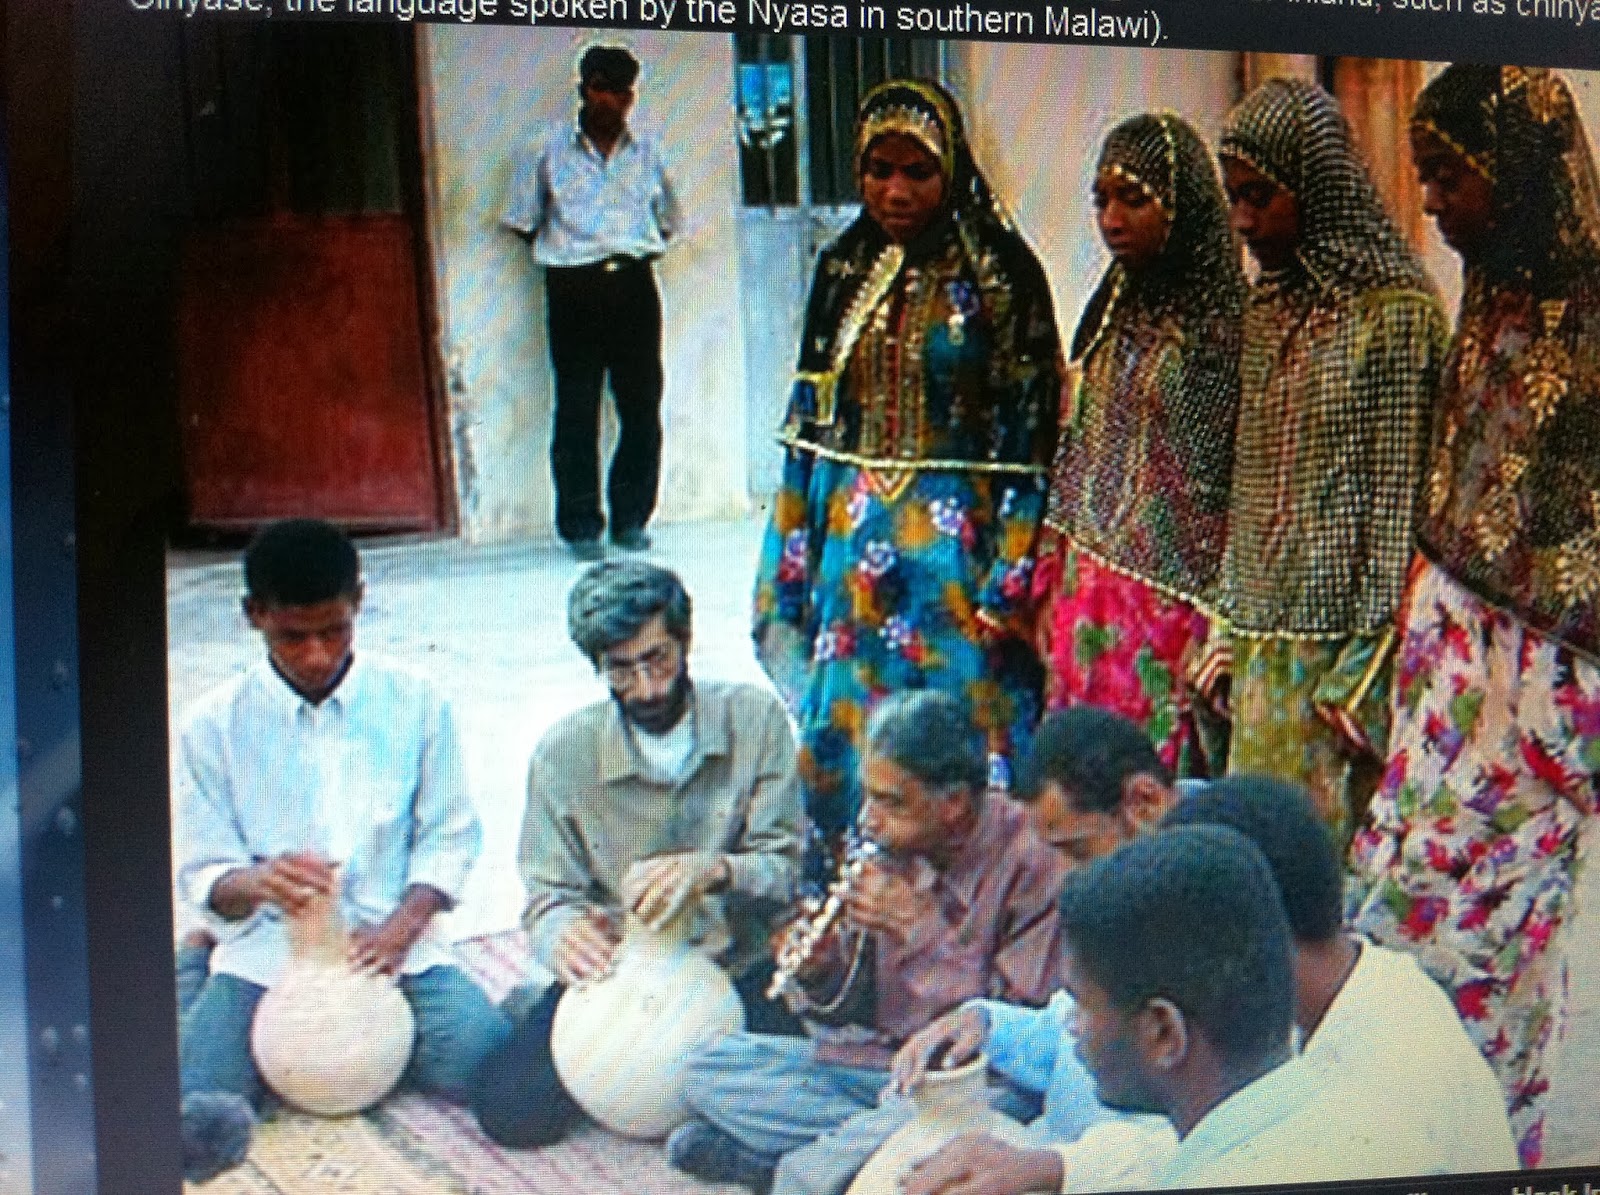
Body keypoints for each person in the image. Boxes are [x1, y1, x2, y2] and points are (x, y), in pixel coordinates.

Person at [1349, 64, 1600, 1168]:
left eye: (1451, 178)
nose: (1436, 204)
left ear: (1518, 176)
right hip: (1441, 704)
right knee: (1399, 935)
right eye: (1424, 179)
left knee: (1483, 965)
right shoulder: (1486, 308)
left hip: (1536, 726)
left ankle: (1490, 1161)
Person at [897, 770, 1515, 1194]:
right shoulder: (1361, 997)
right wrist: (1054, 1167)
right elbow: (1208, 1137)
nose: (1073, 1023)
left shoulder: (1381, 1091)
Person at [752, 79, 1063, 842]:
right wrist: (790, 557)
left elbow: (1032, 437)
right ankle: (852, 902)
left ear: (952, 168)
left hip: (958, 568)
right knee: (850, 729)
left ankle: (973, 913)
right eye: (877, 170)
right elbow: (810, 420)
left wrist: (1011, 574)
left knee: (962, 733)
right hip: (850, 566)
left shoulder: (1003, 275)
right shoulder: (841, 268)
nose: (895, 191)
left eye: (917, 171)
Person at [173, 519, 509, 1184]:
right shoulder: (213, 723)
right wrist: (261, 881)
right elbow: (206, 868)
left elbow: (448, 834)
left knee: (490, 1071)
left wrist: (402, 928)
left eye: (335, 629)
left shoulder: (417, 701)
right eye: (293, 636)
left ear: (358, 601)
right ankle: (193, 970)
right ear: (254, 616)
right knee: (206, 1115)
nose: (319, 654)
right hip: (268, 948)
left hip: (391, 941)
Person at [667, 690, 1064, 1195]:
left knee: (801, 1179)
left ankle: (809, 1161)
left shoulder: (1033, 861)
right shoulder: (890, 844)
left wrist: (921, 930)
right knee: (704, 1070)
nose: (867, 820)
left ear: (955, 805)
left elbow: (1009, 1030)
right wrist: (824, 968)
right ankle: (853, 1149)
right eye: (868, 795)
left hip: (967, 1085)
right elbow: (856, 1011)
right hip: (880, 1069)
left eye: (890, 801)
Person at [469, 559, 805, 1148]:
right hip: (623, 974)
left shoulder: (754, 720)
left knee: (795, 1103)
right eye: (622, 670)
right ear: (597, 665)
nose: (647, 687)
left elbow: (786, 867)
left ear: (686, 641)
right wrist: (565, 935)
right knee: (508, 1109)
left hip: (734, 965)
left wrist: (717, 869)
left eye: (658, 659)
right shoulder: (564, 754)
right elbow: (548, 895)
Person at [1195, 77, 1449, 842]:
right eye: (1233, 196)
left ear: (1316, 186)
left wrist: (1363, 671)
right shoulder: (1265, 308)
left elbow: (1401, 504)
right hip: (1260, 643)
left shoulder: (1397, 316)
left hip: (1340, 658)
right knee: (1255, 868)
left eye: (1261, 196)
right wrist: (1226, 627)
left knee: (1325, 879)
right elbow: (1250, 483)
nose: (1243, 220)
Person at [1031, 112, 1243, 776]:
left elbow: (1234, 480)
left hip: (1170, 604)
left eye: (1134, 197)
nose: (1112, 217)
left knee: (1143, 787)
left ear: (1183, 206)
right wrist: (1051, 576)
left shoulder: (1224, 324)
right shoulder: (1113, 306)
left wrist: (1223, 621)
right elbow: (1081, 446)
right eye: (1101, 199)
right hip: (1088, 592)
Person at [502, 44, 682, 560]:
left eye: (622, 91)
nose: (611, 100)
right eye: (601, 87)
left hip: (633, 286)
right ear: (584, 89)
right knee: (577, 407)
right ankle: (581, 525)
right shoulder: (546, 149)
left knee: (641, 406)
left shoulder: (648, 148)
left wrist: (624, 256)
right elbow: (522, 221)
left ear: (631, 96)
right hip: (573, 289)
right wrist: (574, 259)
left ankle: (631, 519)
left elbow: (669, 221)